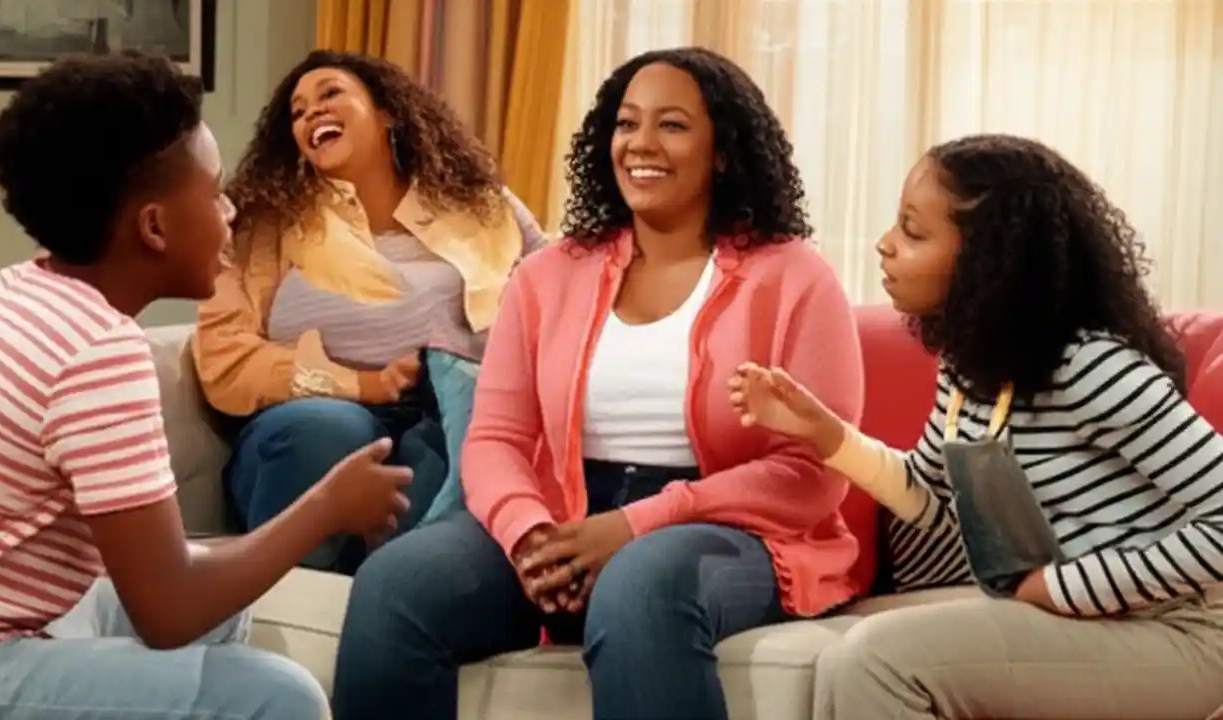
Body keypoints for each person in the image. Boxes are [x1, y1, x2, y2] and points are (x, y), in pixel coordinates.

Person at [330, 47, 867, 720]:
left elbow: (812, 472)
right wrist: (530, 537)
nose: (641, 144)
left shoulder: (795, 277)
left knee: (641, 583)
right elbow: (497, 438)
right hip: (560, 513)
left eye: (672, 125)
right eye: (626, 124)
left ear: (723, 150)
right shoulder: (548, 275)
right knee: (393, 586)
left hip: (729, 526)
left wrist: (634, 525)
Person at [0, 52, 412, 718]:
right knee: (282, 697)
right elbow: (168, 611)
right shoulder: (97, 353)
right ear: (155, 226)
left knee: (223, 615)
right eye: (215, 191)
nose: (230, 213)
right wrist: (327, 509)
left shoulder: (13, 290)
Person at [731, 133, 1223, 719]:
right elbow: (936, 504)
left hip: (1177, 634)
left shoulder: (1090, 365)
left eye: (913, 232)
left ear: (989, 259)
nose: (884, 246)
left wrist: (1059, 587)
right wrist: (828, 436)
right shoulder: (972, 370)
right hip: (1077, 621)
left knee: (876, 662)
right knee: (847, 662)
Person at [193, 50, 545, 573]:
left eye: (330, 94)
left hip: (455, 410)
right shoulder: (262, 224)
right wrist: (364, 384)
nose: (312, 112)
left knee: (446, 464)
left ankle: (382, 615)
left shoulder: (484, 205)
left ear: (388, 113)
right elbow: (224, 359)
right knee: (327, 431)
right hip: (316, 420)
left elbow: (559, 289)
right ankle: (287, 608)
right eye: (297, 110)